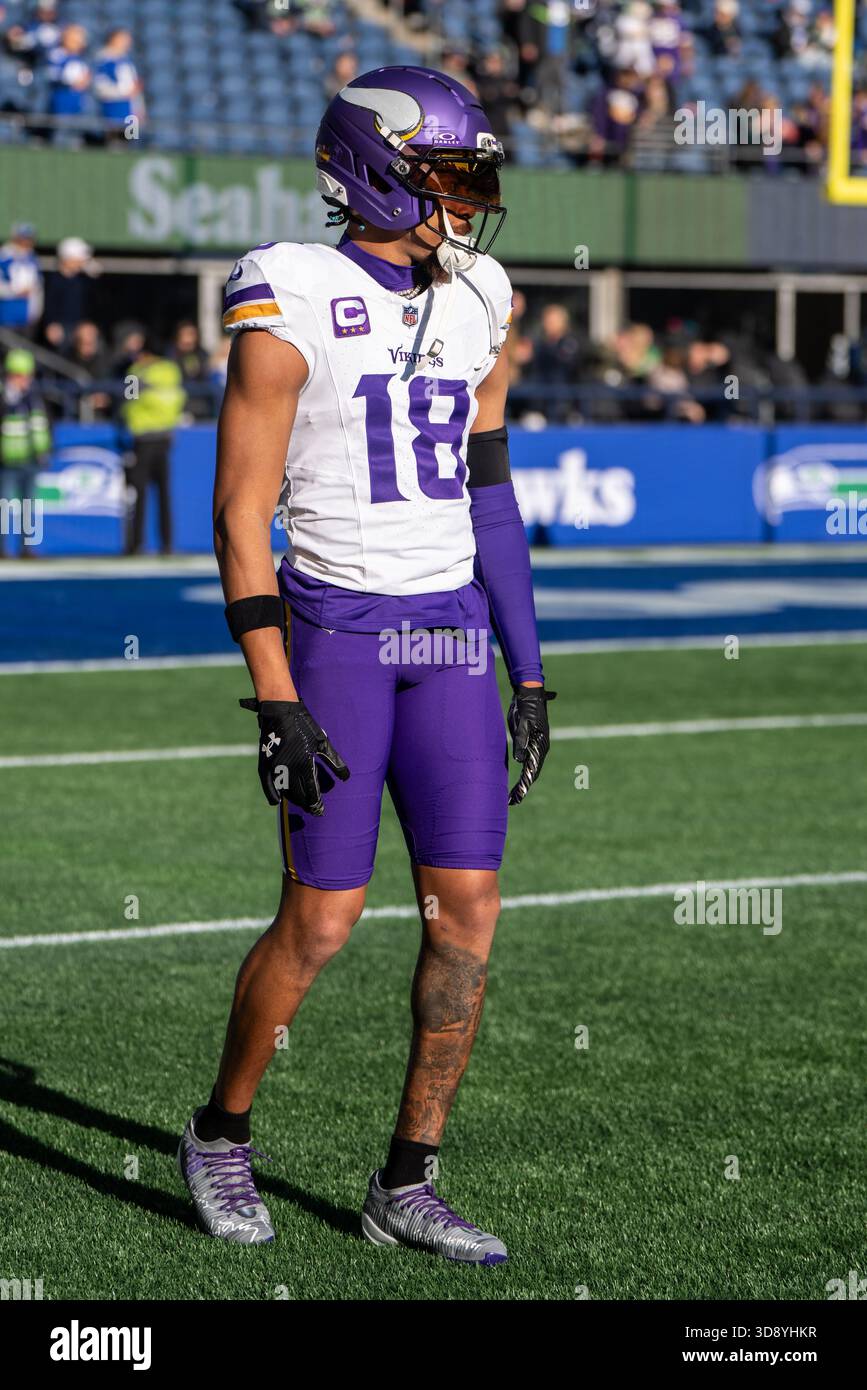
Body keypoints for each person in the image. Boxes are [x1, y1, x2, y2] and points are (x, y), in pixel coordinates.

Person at [179, 65, 555, 1262]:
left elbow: (490, 496)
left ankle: (408, 1179)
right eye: (447, 175)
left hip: (448, 638)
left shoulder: (483, 292)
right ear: (374, 168)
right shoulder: (288, 287)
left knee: (468, 918)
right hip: (338, 632)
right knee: (323, 920)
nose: (466, 202)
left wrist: (527, 668)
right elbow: (241, 512)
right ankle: (222, 1132)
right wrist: (274, 693)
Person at [120, 338, 185, 554]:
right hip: (165, 436)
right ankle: (167, 543)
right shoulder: (171, 370)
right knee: (164, 494)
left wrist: (131, 423)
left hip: (143, 438)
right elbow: (177, 399)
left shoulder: (136, 371)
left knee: (138, 495)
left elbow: (128, 404)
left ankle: (136, 543)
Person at [0, 348, 51, 558]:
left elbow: (43, 424)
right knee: (3, 505)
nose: (25, 380)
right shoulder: (4, 396)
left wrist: (44, 450)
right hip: (7, 460)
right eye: (21, 376)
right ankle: (1, 548)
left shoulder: (34, 397)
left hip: (31, 459)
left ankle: (27, 547)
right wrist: (10, 398)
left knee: (29, 505)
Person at [43, 235, 97, 348]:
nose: (82, 261)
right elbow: (49, 305)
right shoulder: (53, 280)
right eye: (79, 258)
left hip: (79, 328)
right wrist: (51, 324)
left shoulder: (83, 280)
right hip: (60, 330)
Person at [92, 27, 141, 141]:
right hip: (111, 109)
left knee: (130, 142)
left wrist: (139, 109)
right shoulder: (103, 59)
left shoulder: (126, 61)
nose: (127, 43)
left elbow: (134, 88)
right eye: (123, 39)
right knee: (114, 142)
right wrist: (122, 92)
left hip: (130, 112)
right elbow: (100, 86)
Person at [0, 223, 43, 335]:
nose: (26, 243)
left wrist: (36, 313)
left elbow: (38, 288)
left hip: (27, 317)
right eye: (22, 239)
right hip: (7, 316)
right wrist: (15, 291)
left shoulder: (33, 259)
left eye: (29, 239)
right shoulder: (4, 257)